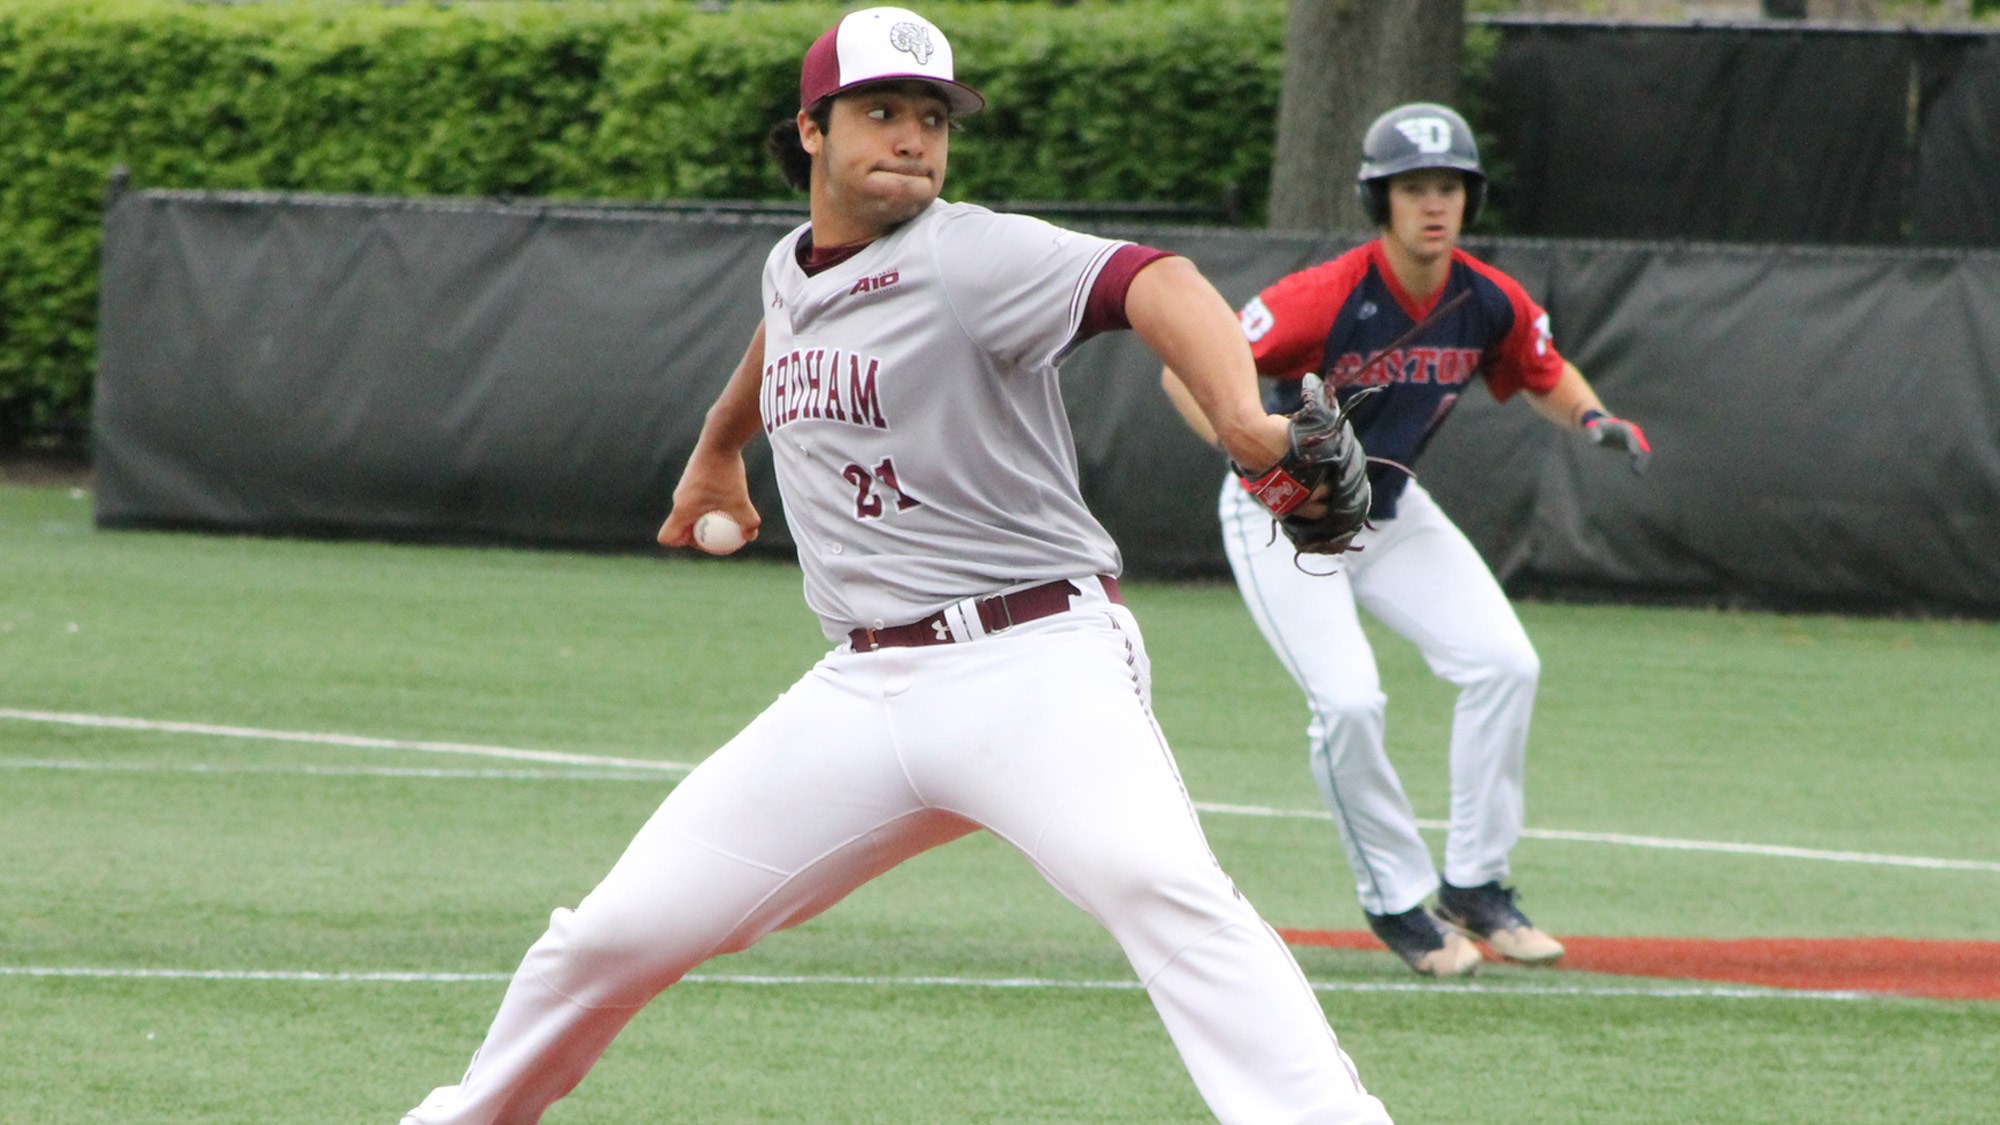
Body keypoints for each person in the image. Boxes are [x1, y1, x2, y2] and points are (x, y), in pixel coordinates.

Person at [401, 9, 1392, 1123]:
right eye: (880, 111)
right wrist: (719, 445)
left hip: (1032, 664)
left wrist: (1241, 423)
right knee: (611, 934)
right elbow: (788, 322)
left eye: (933, 116)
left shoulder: (968, 253)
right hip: (862, 690)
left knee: (1165, 893)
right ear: (811, 131)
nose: (914, 136)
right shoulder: (793, 265)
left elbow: (1152, 279)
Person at [1161, 103, 1651, 979]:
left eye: (1450, 187)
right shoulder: (1325, 294)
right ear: (1378, 201)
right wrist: (1254, 455)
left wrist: (1592, 416)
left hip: (1388, 510)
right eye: (1413, 187)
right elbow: (1182, 368)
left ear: (1470, 199)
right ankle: (1395, 899)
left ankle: (1475, 885)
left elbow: (1541, 370)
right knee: (1349, 702)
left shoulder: (1486, 298)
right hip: (1284, 517)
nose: (1434, 204)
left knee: (1505, 664)